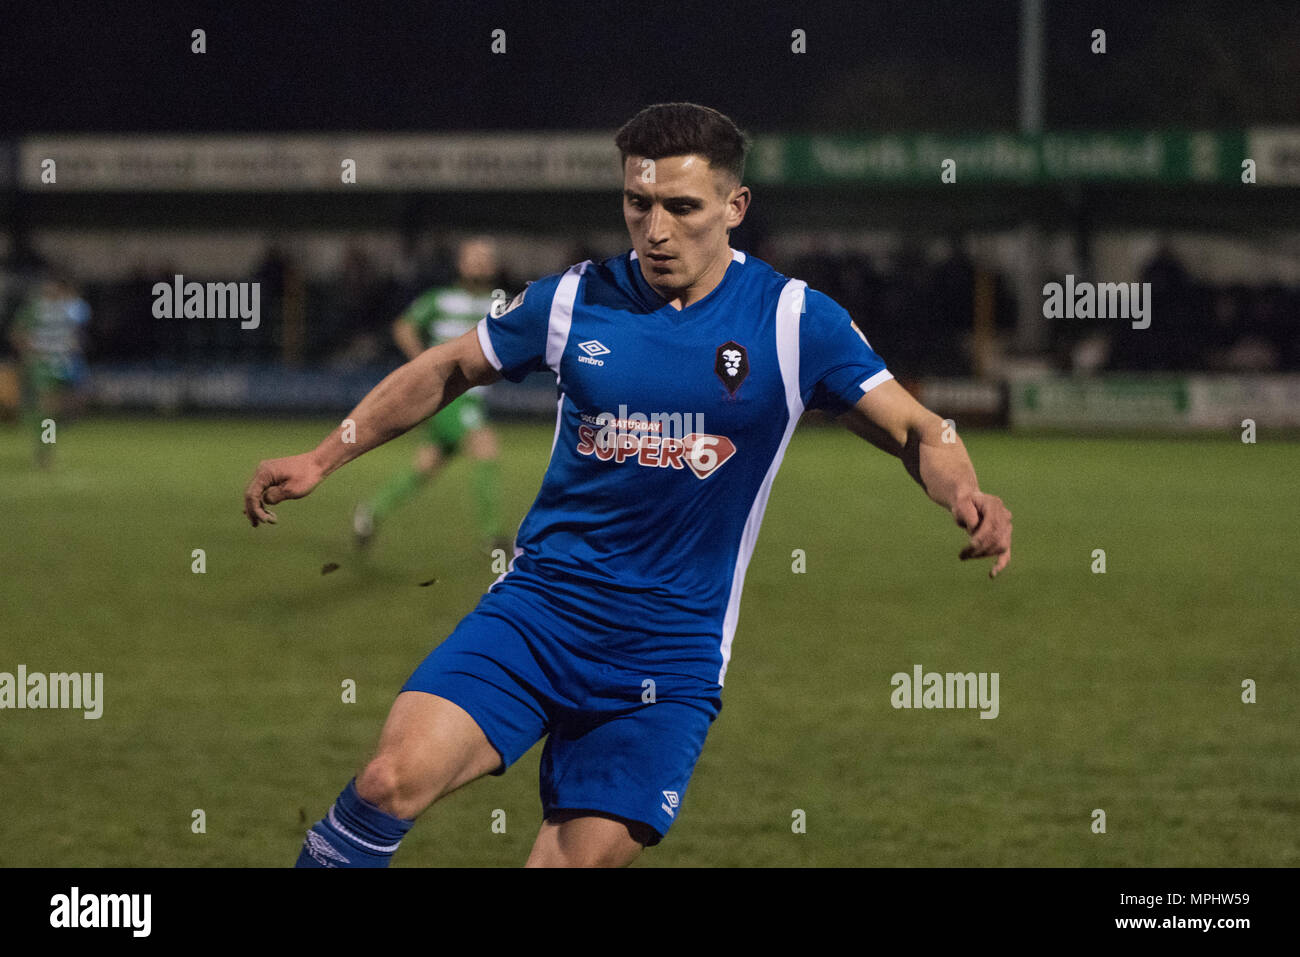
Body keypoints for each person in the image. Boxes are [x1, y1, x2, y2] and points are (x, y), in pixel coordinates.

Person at [243, 103, 1012, 868]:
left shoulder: (790, 320)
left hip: (669, 654)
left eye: (682, 207)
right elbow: (450, 366)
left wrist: (965, 492)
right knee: (386, 781)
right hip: (538, 614)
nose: (655, 229)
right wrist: (323, 457)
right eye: (637, 205)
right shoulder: (576, 299)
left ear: (735, 207)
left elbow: (921, 428)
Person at [352, 237, 507, 552]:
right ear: (460, 263)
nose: (480, 262)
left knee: (426, 465)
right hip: (452, 395)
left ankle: (370, 512)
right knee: (486, 448)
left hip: (474, 397)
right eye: (473, 256)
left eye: (485, 257)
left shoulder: (501, 301)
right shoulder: (440, 299)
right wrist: (425, 365)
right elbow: (403, 327)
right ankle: (493, 538)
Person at [9, 274, 90, 468]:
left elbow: (74, 334)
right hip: (42, 364)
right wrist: (29, 352)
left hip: (63, 363)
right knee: (48, 406)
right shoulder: (34, 309)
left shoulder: (67, 309)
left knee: (63, 407)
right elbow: (17, 333)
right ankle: (45, 451)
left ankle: (44, 436)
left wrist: (72, 345)